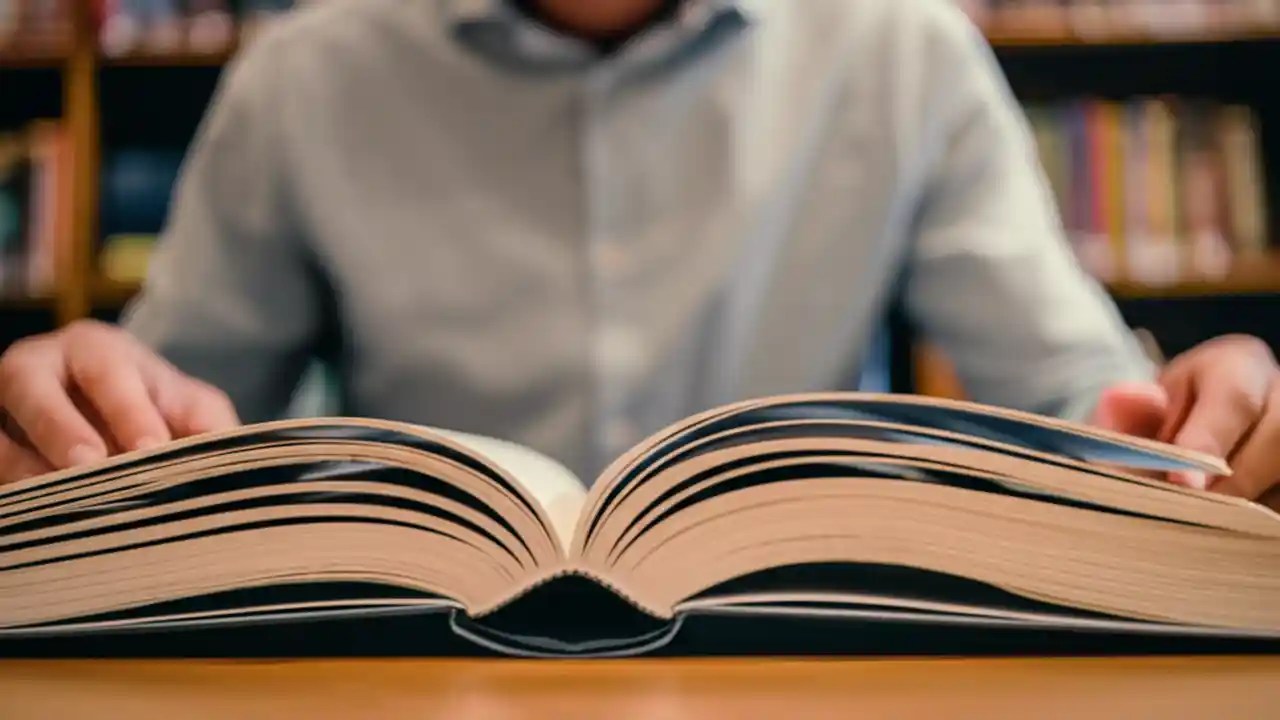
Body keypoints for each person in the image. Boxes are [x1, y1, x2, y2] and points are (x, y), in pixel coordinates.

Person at [0, 0, 1277, 508]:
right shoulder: (304, 78)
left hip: (811, 679)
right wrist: (83, 405)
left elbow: (1090, 410)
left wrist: (1197, 420)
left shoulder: (897, 48)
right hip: (408, 680)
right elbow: (154, 445)